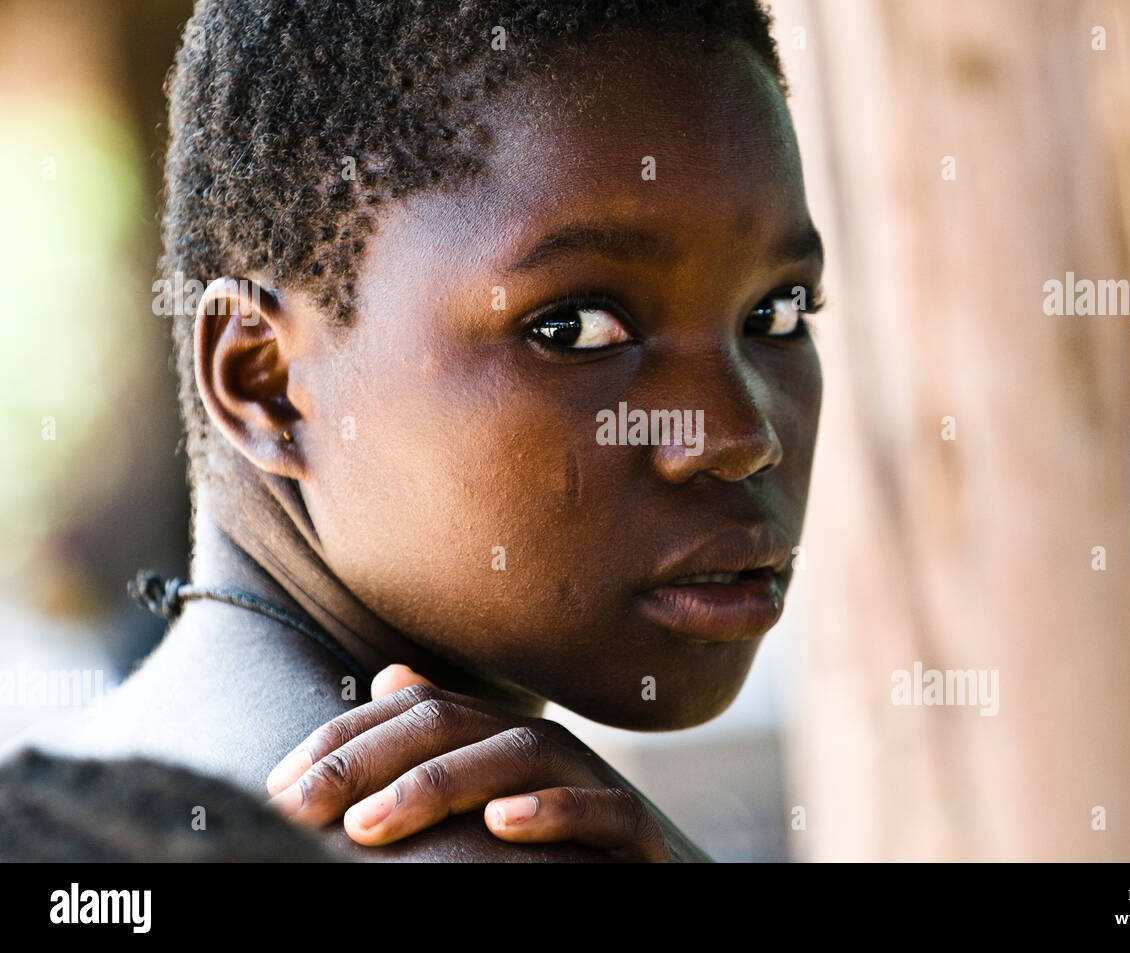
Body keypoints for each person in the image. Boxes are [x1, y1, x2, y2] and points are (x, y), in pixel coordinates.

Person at [12, 0, 825, 862]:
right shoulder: (485, 845)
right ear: (267, 383)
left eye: (776, 314)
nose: (736, 434)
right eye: (576, 328)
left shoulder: (66, 798)